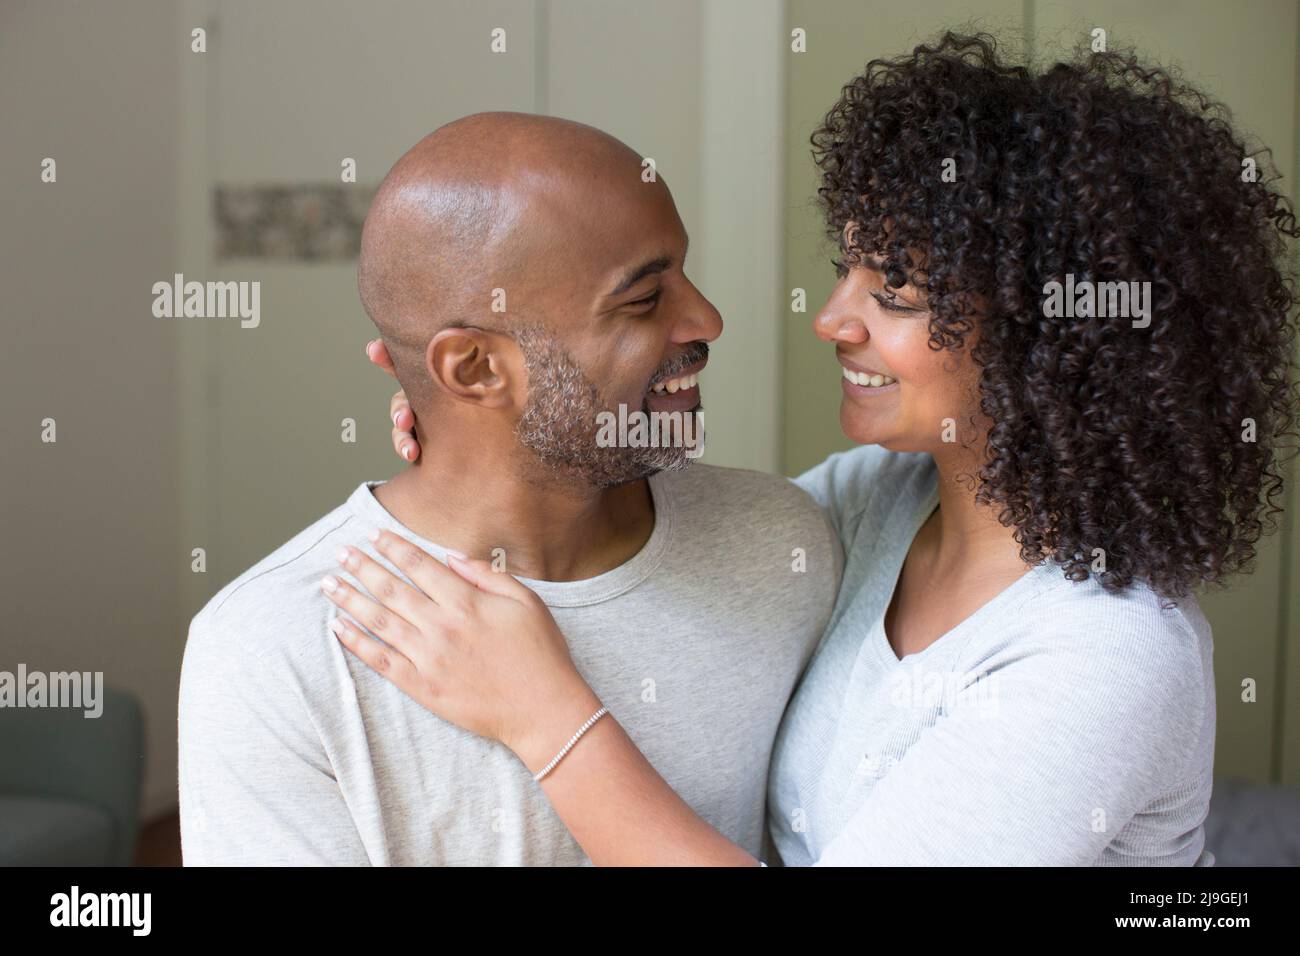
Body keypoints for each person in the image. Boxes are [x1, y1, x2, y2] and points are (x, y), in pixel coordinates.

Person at [332, 33, 1300, 865]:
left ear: (1051, 338)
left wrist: (543, 715)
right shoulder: (873, 502)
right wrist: (489, 439)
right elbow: (687, 538)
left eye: (896, 295)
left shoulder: (1110, 653)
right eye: (847, 269)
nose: (833, 319)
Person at [177, 113, 841, 865]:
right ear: (476, 369)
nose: (708, 320)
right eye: (642, 300)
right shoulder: (272, 650)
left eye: (685, 275)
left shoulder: (781, 545)